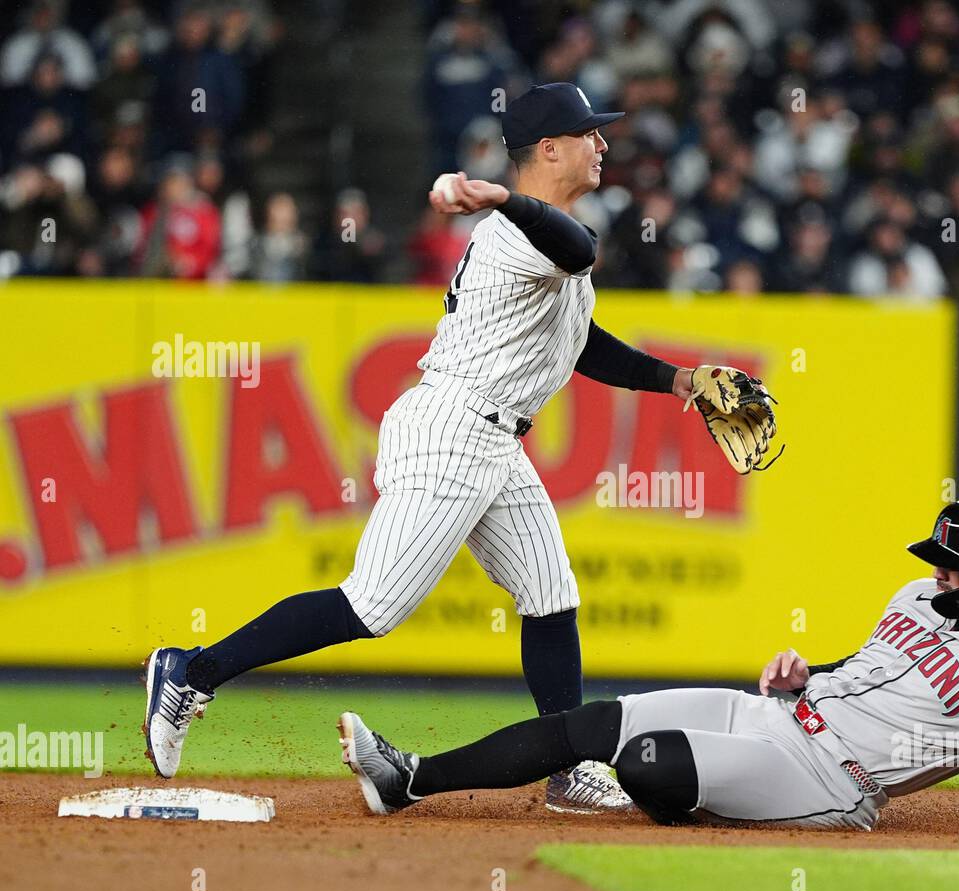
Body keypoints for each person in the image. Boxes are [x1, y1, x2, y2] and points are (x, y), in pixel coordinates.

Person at [142, 84, 714, 814]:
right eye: (588, 134)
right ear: (549, 149)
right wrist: (505, 200)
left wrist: (680, 379)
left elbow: (581, 345)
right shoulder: (522, 233)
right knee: (372, 604)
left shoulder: (537, 231)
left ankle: (566, 766)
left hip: (495, 438)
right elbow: (580, 247)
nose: (602, 145)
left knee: (551, 595)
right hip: (454, 428)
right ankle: (191, 669)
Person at [336, 497, 959, 845]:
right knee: (589, 726)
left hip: (827, 779)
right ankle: (407, 779)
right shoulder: (914, 598)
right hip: (780, 715)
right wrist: (800, 668)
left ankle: (677, 800)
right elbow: (860, 668)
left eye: (950, 565)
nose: (934, 572)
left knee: (650, 765)